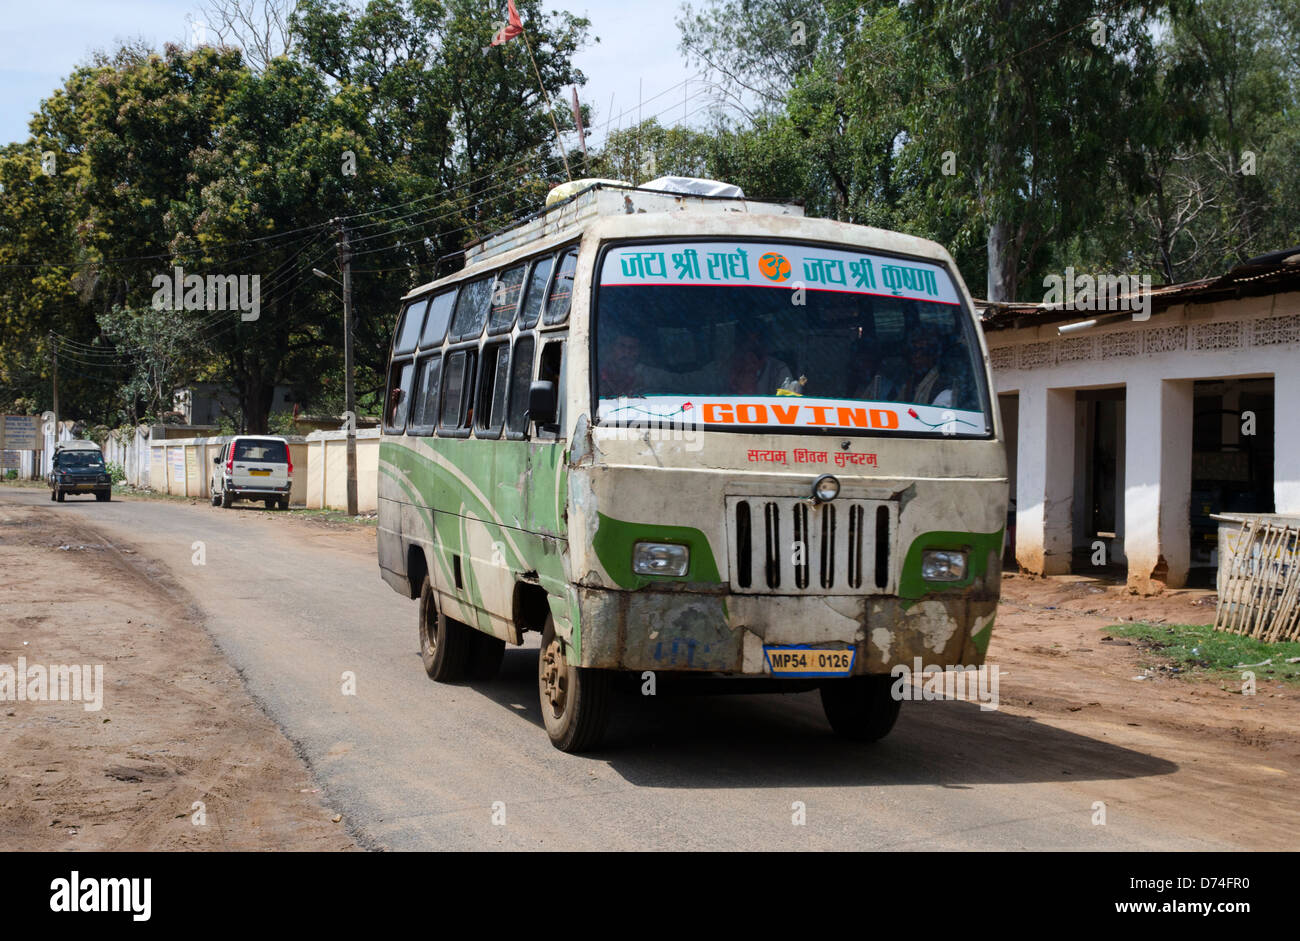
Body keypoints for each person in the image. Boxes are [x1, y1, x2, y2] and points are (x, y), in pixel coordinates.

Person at [898, 330, 955, 407]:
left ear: (934, 355)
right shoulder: (911, 379)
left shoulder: (941, 383)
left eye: (922, 351)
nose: (916, 357)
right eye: (913, 351)